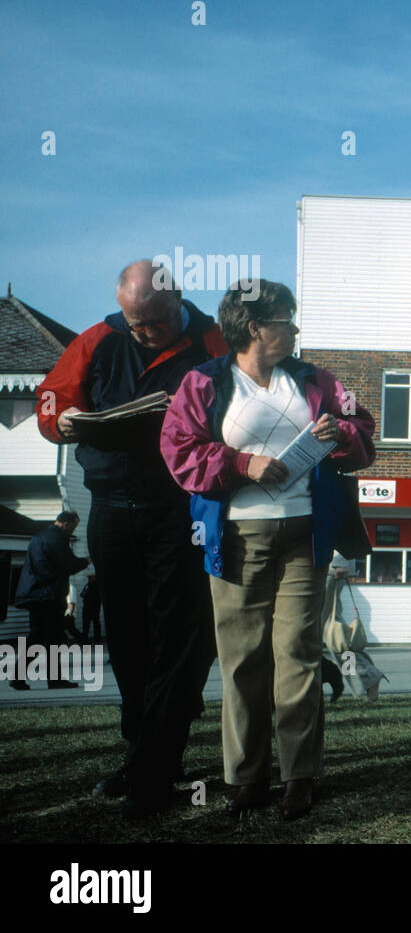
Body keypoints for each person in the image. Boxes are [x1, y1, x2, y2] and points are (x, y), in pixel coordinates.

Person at [160, 279, 376, 822]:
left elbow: (364, 435)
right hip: (234, 539)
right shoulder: (203, 383)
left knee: (298, 656)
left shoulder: (316, 379)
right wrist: (241, 463)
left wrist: (341, 433)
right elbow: (178, 452)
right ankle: (246, 778)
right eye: (286, 318)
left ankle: (299, 778)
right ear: (255, 327)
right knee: (241, 662)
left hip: (305, 538)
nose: (295, 328)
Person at [35, 259, 227, 817]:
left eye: (157, 323)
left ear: (180, 303)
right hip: (112, 510)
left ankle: (149, 769)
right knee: (126, 637)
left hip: (181, 508)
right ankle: (146, 754)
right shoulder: (97, 338)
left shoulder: (212, 340)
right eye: (135, 323)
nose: (145, 333)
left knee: (179, 636)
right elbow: (49, 398)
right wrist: (63, 421)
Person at [12, 511, 90, 690]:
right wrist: (86, 561)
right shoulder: (56, 539)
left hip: (35, 595)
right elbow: (69, 565)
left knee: (37, 637)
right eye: (73, 526)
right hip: (48, 595)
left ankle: (19, 677)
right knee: (54, 638)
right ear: (65, 523)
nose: (73, 530)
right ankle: (54, 680)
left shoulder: (39, 537)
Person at [321, 554, 386, 704]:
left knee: (337, 640)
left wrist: (340, 563)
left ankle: (369, 676)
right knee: (336, 639)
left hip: (328, 571)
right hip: (327, 570)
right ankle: (366, 679)